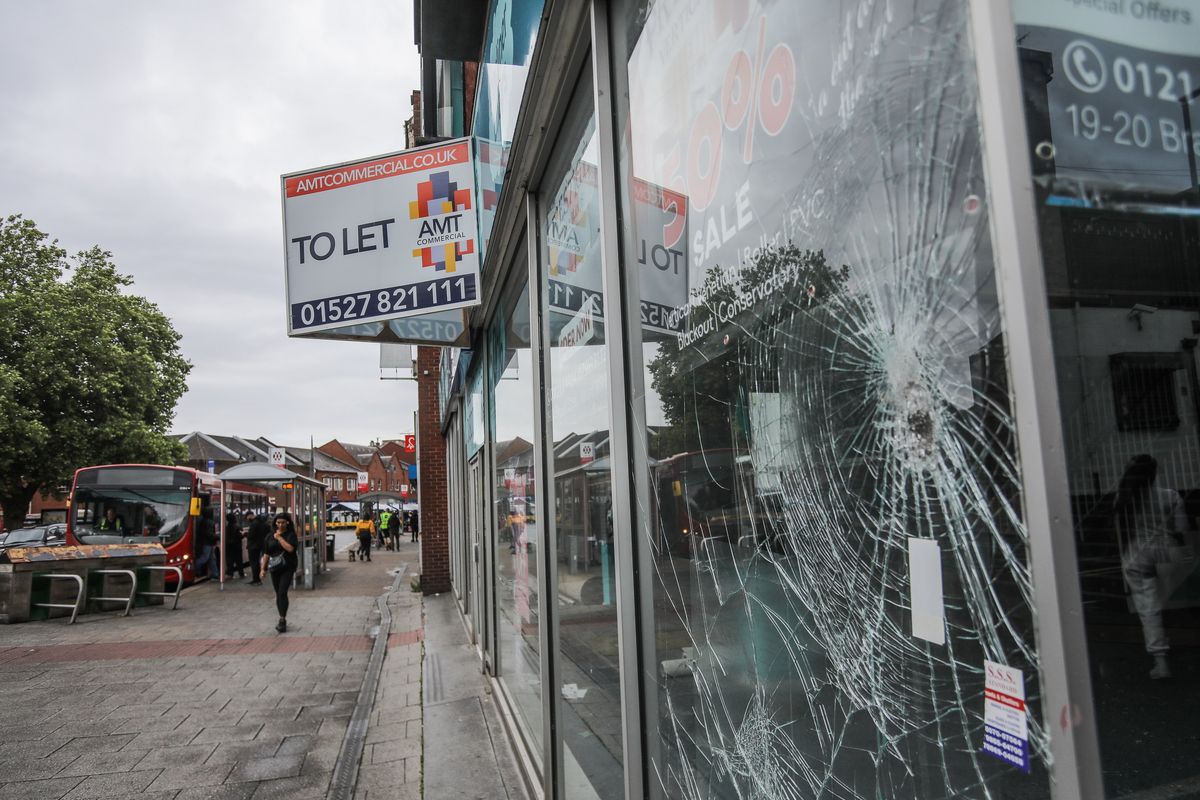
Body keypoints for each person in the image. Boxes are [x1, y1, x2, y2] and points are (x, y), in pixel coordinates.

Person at [1113, 454, 1188, 680]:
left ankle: (1160, 661)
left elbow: (1120, 534)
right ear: (1155, 473)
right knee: (1173, 601)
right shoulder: (1170, 496)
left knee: (1149, 608)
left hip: (1138, 554)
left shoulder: (1125, 498)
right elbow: (1182, 528)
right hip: (1168, 552)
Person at [261, 512, 298, 633]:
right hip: (274, 568)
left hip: (288, 567)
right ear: (275, 523)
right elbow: (266, 554)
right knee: (278, 593)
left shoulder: (291, 535)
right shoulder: (269, 536)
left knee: (282, 592)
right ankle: (281, 615)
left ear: (287, 523)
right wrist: (263, 569)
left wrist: (280, 538)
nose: (280, 525)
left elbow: (290, 549)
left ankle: (282, 620)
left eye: (283, 522)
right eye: (278, 522)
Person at [245, 511, 269, 585]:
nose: (247, 519)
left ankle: (256, 580)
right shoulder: (262, 522)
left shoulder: (254, 524)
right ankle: (257, 579)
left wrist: (246, 534)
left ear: (250, 516)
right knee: (256, 562)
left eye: (247, 517)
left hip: (253, 546)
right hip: (260, 545)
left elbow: (251, 535)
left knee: (254, 563)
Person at [194, 508, 218, 579]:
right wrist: (218, 537)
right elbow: (209, 534)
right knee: (205, 558)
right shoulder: (209, 522)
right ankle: (195, 568)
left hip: (206, 542)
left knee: (212, 559)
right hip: (207, 543)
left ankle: (215, 573)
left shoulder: (203, 520)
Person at [224, 512, 245, 579]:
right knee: (239, 560)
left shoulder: (226, 527)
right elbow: (240, 536)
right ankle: (241, 573)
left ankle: (230, 574)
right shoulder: (237, 527)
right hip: (237, 546)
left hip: (228, 546)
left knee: (230, 560)